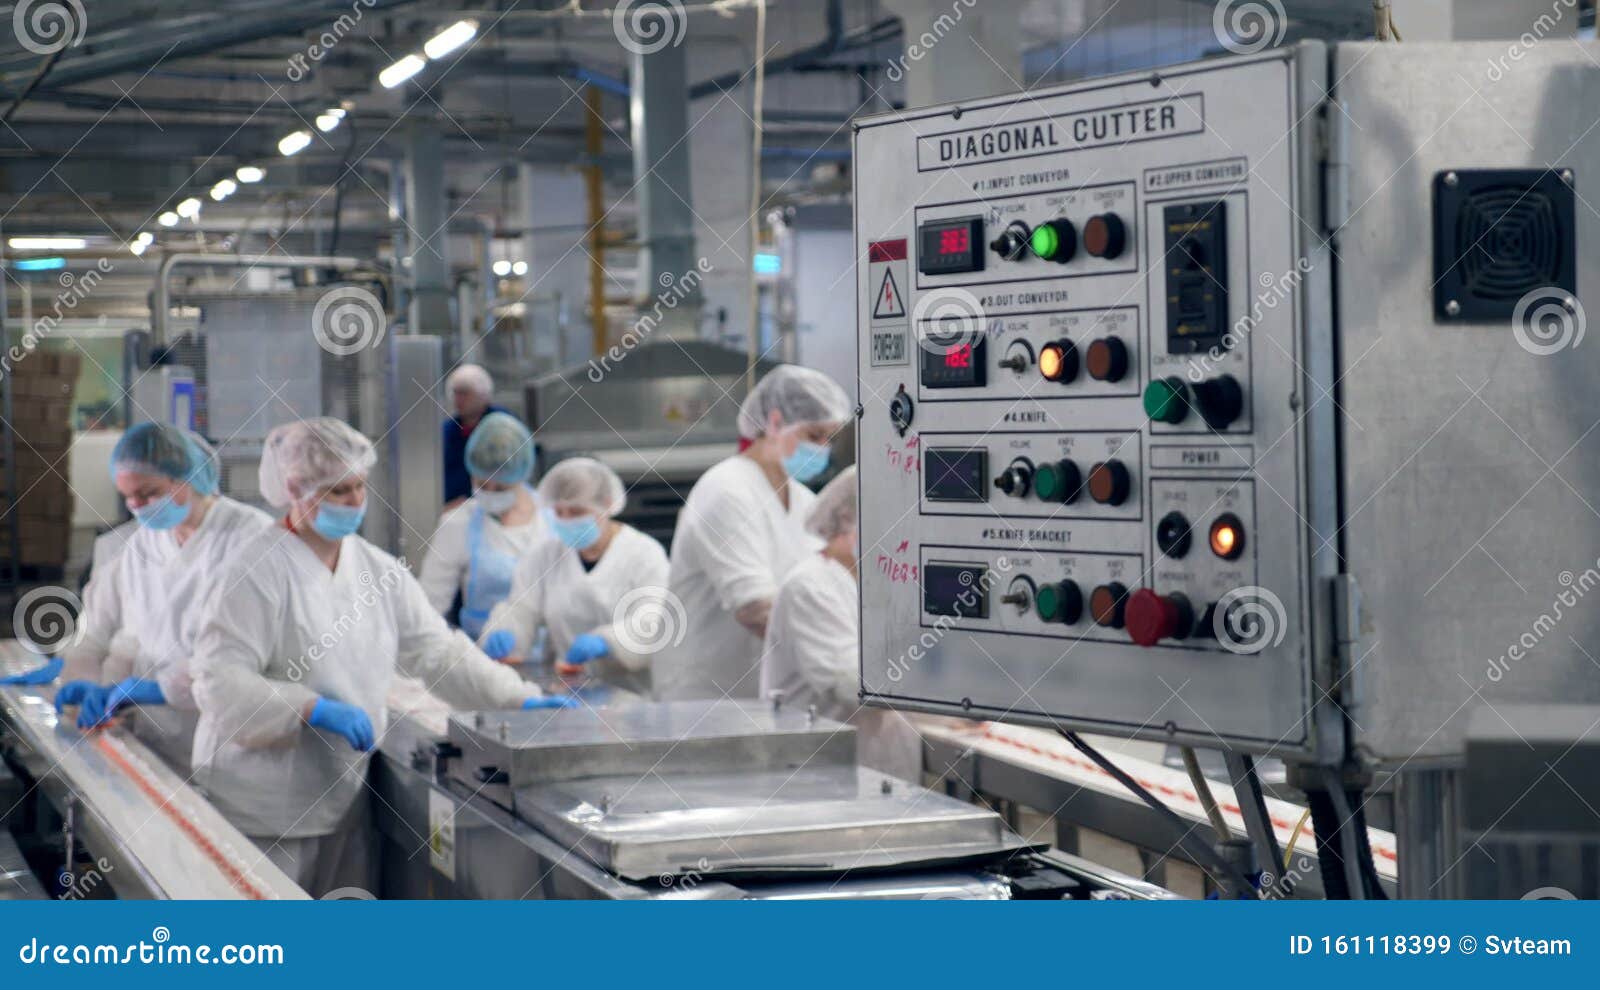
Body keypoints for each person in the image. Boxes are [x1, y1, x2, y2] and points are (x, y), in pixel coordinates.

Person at [190, 417, 567, 898]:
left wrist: (518, 699)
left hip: (341, 799)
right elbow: (217, 679)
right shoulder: (253, 571)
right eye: (338, 491)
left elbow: (436, 651)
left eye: (360, 487)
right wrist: (308, 707)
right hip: (259, 807)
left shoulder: (375, 569)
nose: (354, 502)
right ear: (294, 488)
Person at [41, 425, 272, 773]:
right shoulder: (143, 545)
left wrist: (157, 688)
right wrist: (83, 679)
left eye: (148, 493)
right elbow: (103, 628)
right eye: (128, 497)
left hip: (225, 735)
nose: (136, 506)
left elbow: (242, 655)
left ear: (188, 478)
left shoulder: (250, 539)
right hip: (155, 734)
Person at [653, 364, 851, 701]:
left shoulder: (804, 501)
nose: (823, 449)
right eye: (814, 436)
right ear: (774, 423)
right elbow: (754, 608)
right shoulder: (726, 489)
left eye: (829, 439)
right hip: (704, 696)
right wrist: (834, 653)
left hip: (759, 693)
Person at [760, 467, 921, 781]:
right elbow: (853, 684)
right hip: (817, 776)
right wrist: (943, 687)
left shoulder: (879, 584)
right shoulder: (810, 587)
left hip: (879, 770)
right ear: (849, 524)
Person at [479, 457, 667, 694]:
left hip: (633, 696)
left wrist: (608, 643)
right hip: (567, 692)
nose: (567, 520)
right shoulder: (545, 555)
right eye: (559, 512)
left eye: (577, 511)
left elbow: (655, 622)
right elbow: (521, 608)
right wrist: (506, 630)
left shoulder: (644, 554)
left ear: (607, 504)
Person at [418, 411, 543, 638]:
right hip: (484, 659)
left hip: (555, 660)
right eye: (482, 484)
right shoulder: (457, 524)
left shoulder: (553, 518)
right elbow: (428, 608)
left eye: (501, 488)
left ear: (522, 475)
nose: (490, 493)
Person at [441, 363, 507, 507]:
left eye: (465, 393)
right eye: (455, 393)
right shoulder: (447, 431)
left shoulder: (504, 426)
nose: (458, 399)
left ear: (483, 394)